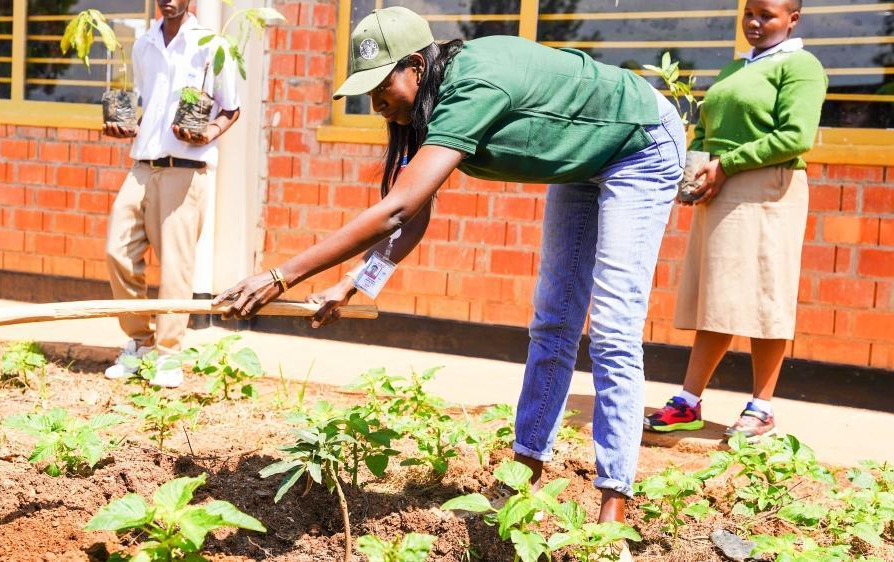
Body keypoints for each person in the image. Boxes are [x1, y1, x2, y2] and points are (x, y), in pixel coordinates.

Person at [214, 6, 684, 546]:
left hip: (638, 143)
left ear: (416, 65)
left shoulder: (473, 86)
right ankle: (522, 482)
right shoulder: (429, 104)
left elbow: (396, 209)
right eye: (367, 94)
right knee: (553, 320)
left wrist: (282, 274)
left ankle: (612, 518)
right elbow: (413, 210)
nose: (376, 105)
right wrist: (358, 281)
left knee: (613, 326)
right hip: (584, 160)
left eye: (381, 86)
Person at [644, 0, 826, 438]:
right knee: (715, 297)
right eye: (749, 14)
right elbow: (707, 126)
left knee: (766, 295)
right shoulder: (734, 70)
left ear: (792, 19)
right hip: (721, 187)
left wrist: (726, 166)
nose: (755, 23)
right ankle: (688, 400)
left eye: (767, 15)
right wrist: (698, 169)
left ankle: (761, 407)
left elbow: (796, 136)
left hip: (767, 189)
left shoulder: (800, 66)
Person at [102, 0, 240, 387]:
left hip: (185, 168)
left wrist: (206, 134)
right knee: (117, 249)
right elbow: (146, 103)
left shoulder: (212, 44)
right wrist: (128, 124)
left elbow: (231, 108)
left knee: (176, 265)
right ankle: (140, 341)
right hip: (143, 165)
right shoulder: (144, 44)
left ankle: (168, 355)